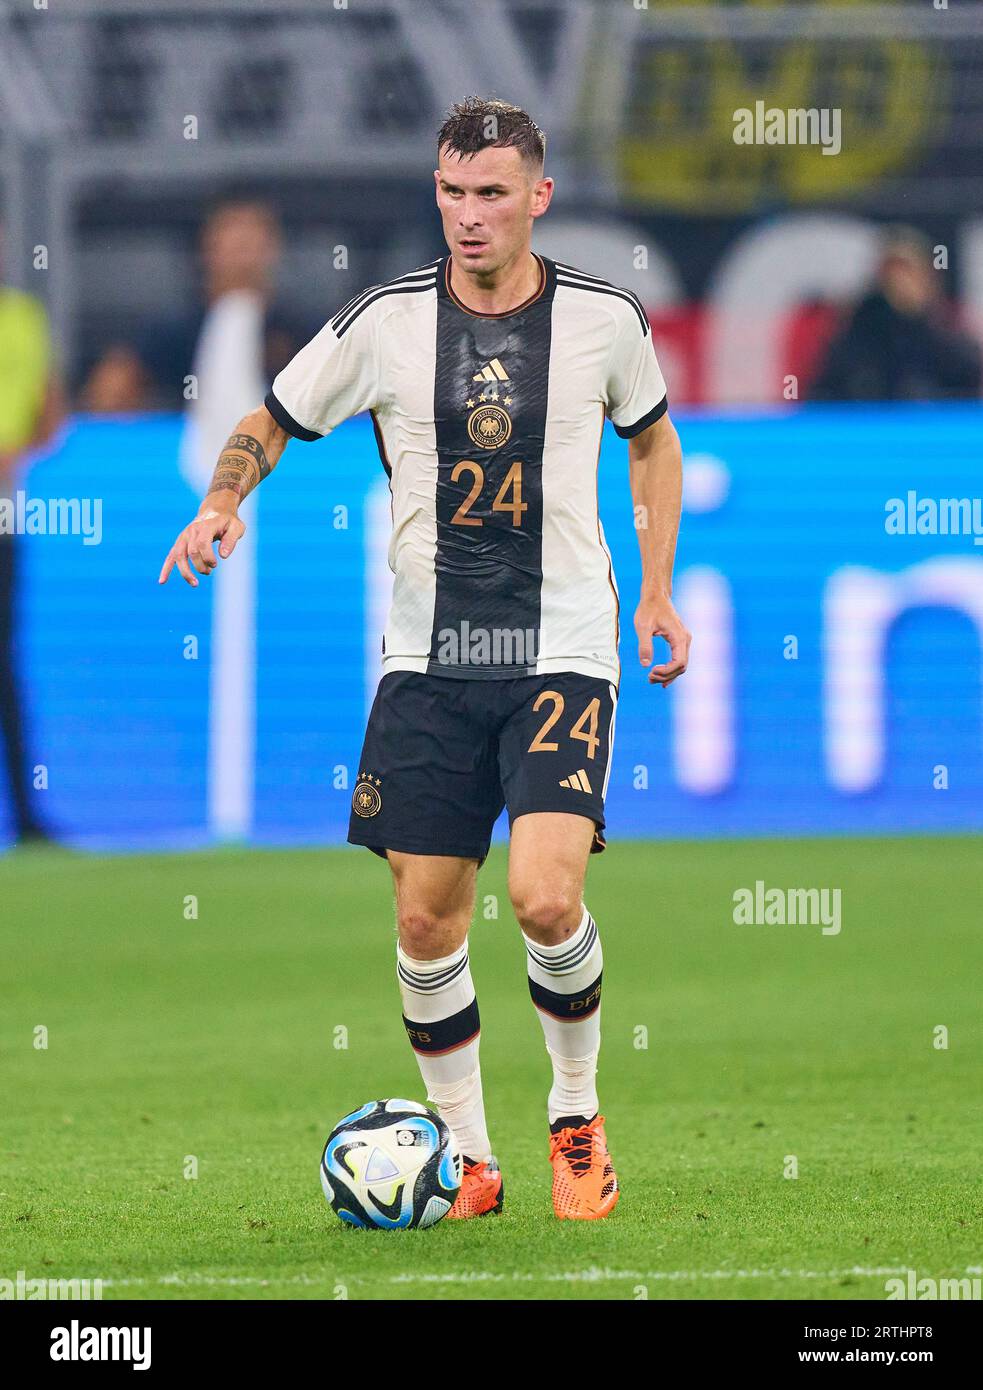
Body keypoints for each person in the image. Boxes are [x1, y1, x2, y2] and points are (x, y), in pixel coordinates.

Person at [159, 97, 690, 1221]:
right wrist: (220, 503)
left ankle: (575, 1113)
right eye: (451, 192)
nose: (467, 215)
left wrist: (653, 586)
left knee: (546, 902)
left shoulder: (603, 320)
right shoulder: (382, 323)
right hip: (427, 659)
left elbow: (649, 437)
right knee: (423, 923)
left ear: (537, 198)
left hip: (561, 648)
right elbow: (268, 420)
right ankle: (467, 1159)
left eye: (491, 193)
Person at [80, 199, 310, 413]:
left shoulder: (301, 335)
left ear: (274, 250)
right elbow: (108, 394)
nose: (244, 258)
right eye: (234, 245)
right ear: (207, 249)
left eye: (253, 244)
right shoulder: (173, 332)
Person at [0, 273, 65, 845]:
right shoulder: (22, 318)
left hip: (4, 520)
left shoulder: (23, 319)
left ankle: (26, 817)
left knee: (5, 669)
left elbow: (49, 419)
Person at [810, 227, 981, 401]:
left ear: (926, 277)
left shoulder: (944, 323)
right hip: (869, 422)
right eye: (893, 272)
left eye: (908, 271)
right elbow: (826, 389)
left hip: (929, 424)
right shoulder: (860, 327)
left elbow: (968, 376)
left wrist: (918, 314)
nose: (900, 281)